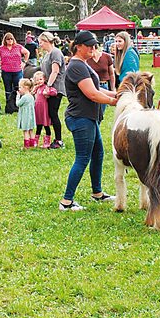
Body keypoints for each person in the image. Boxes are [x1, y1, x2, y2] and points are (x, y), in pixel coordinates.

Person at [59, 31, 118, 211]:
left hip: (89, 118)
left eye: (95, 45)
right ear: (79, 46)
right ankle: (66, 202)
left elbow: (97, 87)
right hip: (81, 118)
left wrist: (116, 94)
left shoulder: (83, 64)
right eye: (90, 45)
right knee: (83, 158)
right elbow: (92, 94)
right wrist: (113, 101)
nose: (93, 48)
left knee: (98, 154)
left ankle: (97, 193)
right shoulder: (76, 66)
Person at [38, 32, 67, 149]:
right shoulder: (47, 54)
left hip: (55, 88)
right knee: (50, 113)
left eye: (41, 42)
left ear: (46, 41)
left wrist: (48, 86)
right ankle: (54, 138)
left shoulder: (55, 53)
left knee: (53, 113)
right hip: (48, 88)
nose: (40, 45)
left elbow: (55, 71)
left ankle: (59, 140)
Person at [0, 33, 29, 114]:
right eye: (8, 39)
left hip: (17, 70)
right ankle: (9, 107)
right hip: (6, 71)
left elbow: (27, 52)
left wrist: (24, 62)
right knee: (8, 90)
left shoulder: (18, 47)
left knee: (18, 88)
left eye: (11, 39)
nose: (10, 41)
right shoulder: (1, 48)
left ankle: (19, 105)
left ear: (13, 39)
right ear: (5, 40)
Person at [87, 43, 114, 120]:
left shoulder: (106, 57)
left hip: (104, 86)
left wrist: (112, 89)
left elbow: (111, 74)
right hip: (92, 87)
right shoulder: (87, 59)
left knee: (100, 113)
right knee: (92, 112)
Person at [31, 71, 55, 148]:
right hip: (37, 109)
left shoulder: (46, 87)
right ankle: (36, 140)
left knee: (46, 125)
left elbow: (54, 92)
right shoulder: (36, 88)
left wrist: (48, 92)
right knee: (39, 125)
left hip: (44, 109)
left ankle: (47, 141)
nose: (39, 81)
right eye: (37, 80)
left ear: (44, 79)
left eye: (40, 79)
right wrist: (33, 90)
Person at [16, 78, 36, 148]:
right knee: (31, 130)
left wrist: (18, 96)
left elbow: (18, 104)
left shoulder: (24, 97)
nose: (19, 89)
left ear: (25, 88)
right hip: (31, 116)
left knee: (25, 131)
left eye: (20, 87)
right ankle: (32, 144)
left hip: (25, 117)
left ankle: (26, 146)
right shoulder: (31, 96)